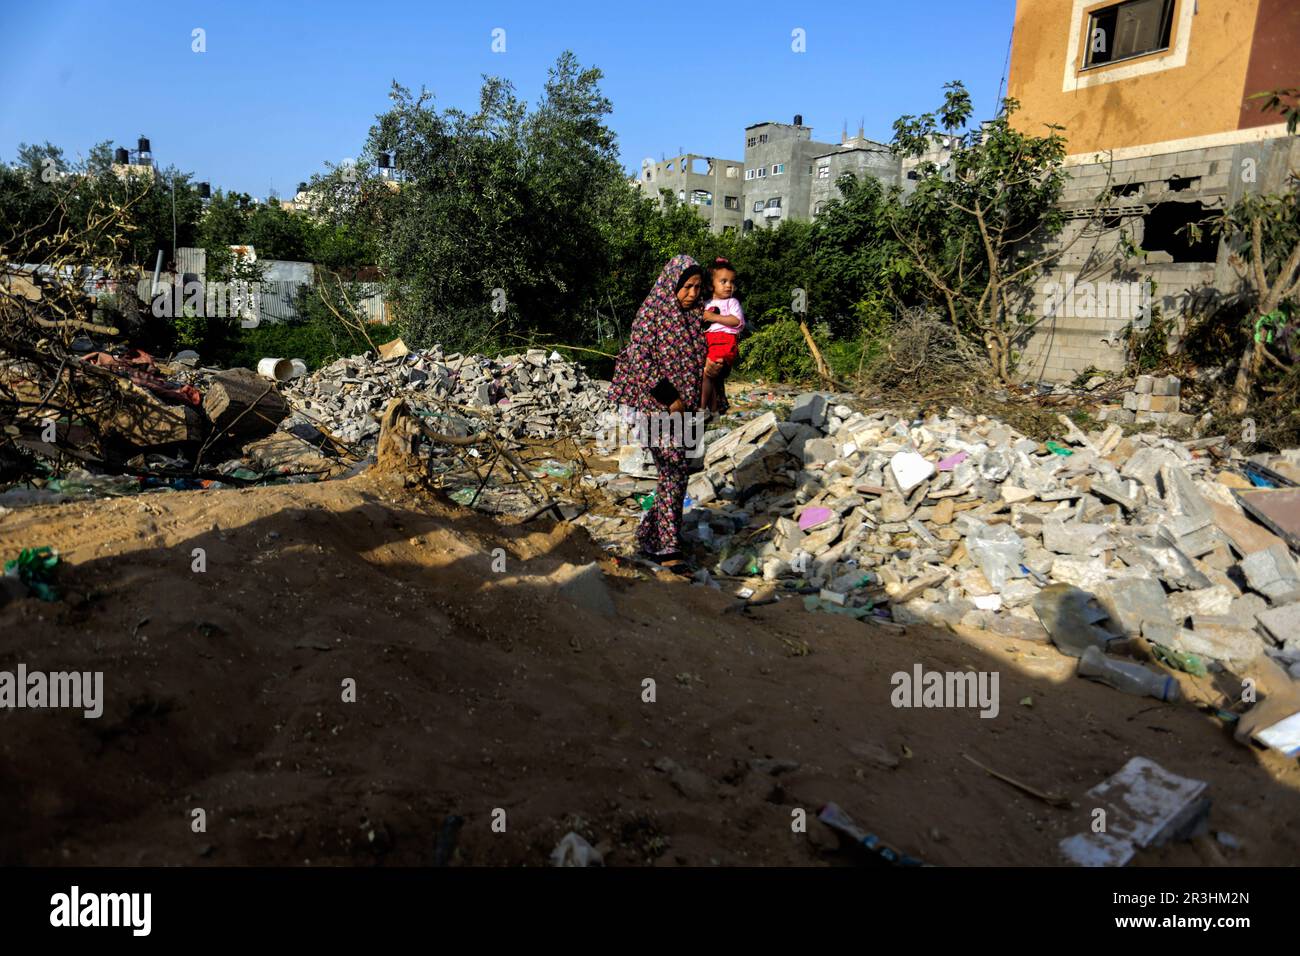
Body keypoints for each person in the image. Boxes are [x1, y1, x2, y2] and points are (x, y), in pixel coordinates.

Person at [607, 255, 722, 574]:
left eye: (697, 288)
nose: (691, 293)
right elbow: (640, 360)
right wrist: (669, 397)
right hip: (653, 405)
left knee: (679, 472)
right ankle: (667, 547)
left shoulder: (697, 315)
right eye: (686, 287)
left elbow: (714, 346)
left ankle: (647, 535)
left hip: (686, 409)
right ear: (671, 285)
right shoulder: (651, 314)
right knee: (672, 467)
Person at [699, 257, 744, 416]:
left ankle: (701, 409)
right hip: (710, 342)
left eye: (731, 282)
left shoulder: (732, 302)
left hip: (724, 341)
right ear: (711, 284)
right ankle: (714, 410)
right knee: (712, 378)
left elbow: (738, 321)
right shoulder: (705, 303)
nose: (728, 286)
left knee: (707, 374)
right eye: (723, 281)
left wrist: (714, 317)